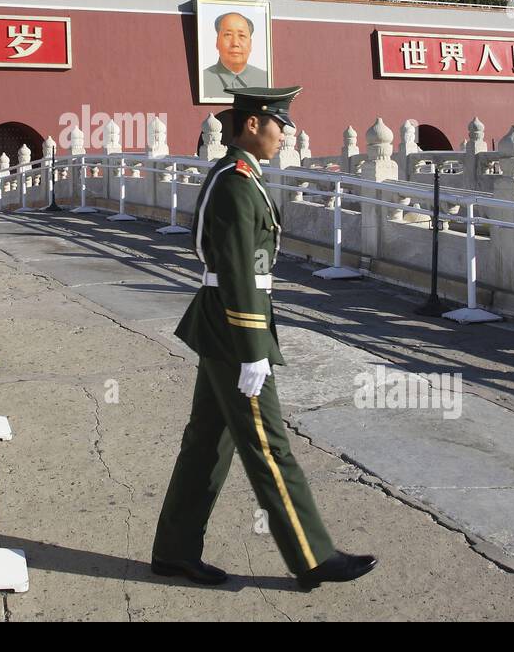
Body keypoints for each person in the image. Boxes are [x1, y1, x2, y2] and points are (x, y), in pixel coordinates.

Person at [151, 85, 378, 590]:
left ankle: (174, 550)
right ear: (252, 124)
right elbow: (235, 271)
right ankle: (313, 555)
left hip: (224, 324)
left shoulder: (242, 177)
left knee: (207, 444)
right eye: (280, 125)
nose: (285, 134)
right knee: (269, 446)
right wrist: (253, 350)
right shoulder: (234, 182)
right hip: (235, 331)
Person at [201, 12, 268, 97]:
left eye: (242, 36)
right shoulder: (202, 79)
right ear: (217, 41)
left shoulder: (265, 79)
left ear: (250, 44)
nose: (235, 43)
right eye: (228, 35)